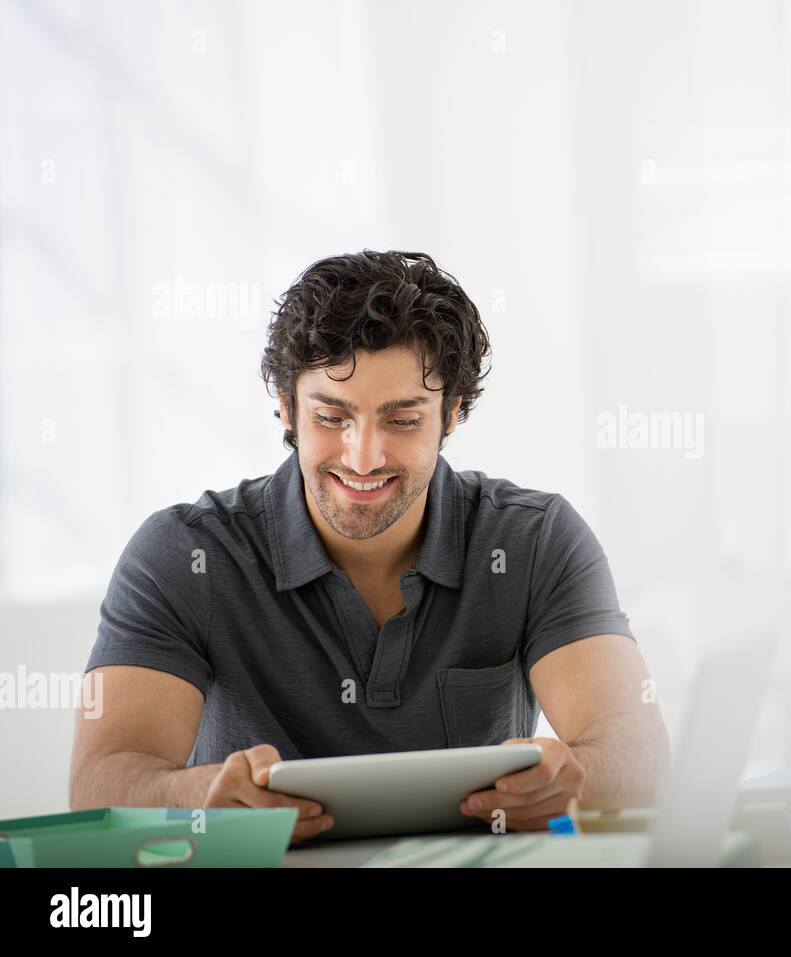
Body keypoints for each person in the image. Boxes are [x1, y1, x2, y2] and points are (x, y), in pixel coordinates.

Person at [70, 250, 670, 842]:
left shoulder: (535, 540)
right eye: (331, 417)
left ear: (452, 412)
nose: (363, 458)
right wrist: (200, 798)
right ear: (286, 407)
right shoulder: (183, 555)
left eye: (403, 420)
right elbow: (100, 786)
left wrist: (579, 778)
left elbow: (639, 749)